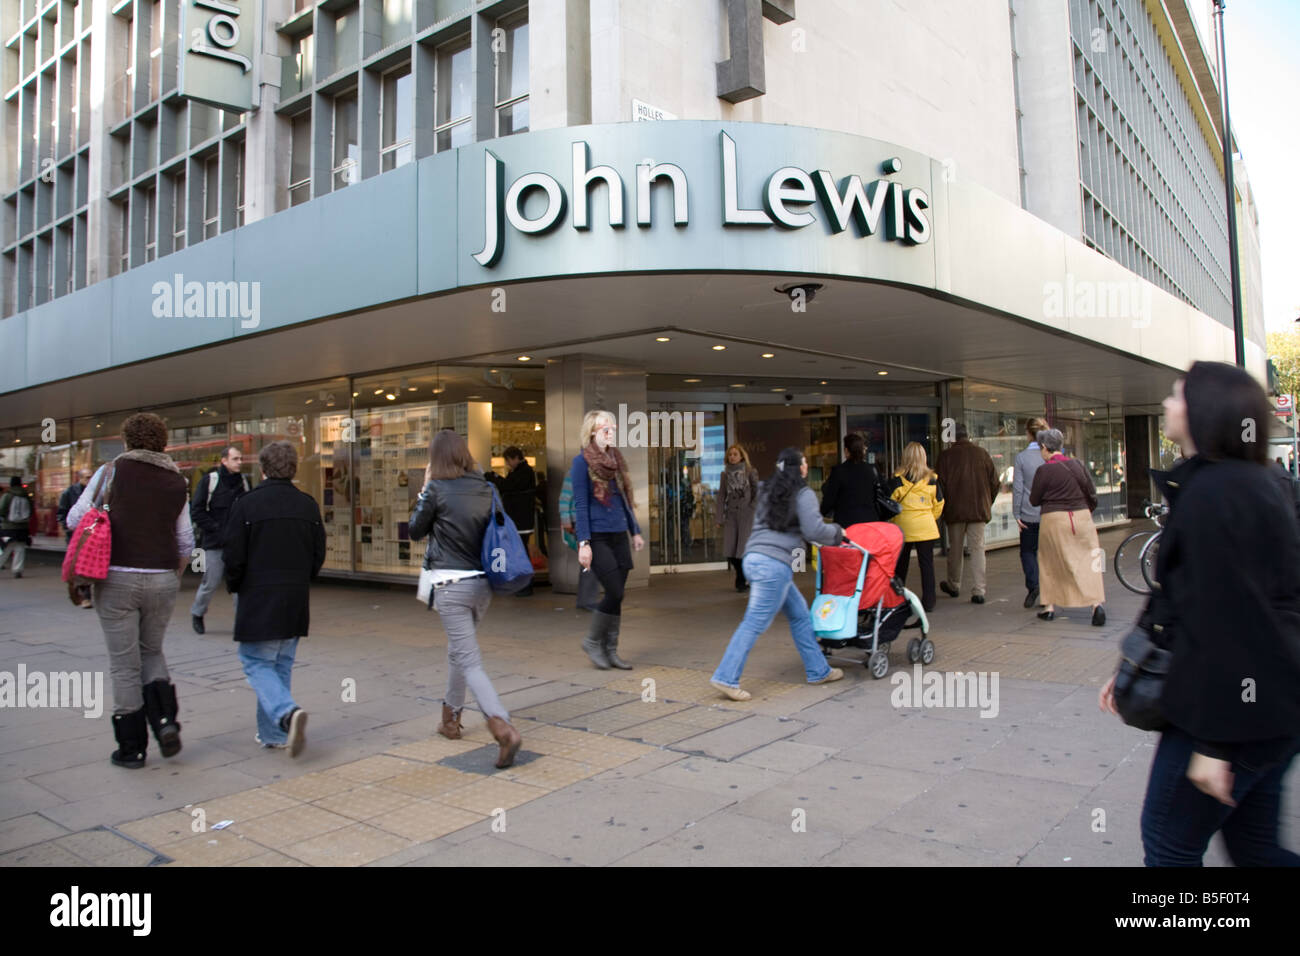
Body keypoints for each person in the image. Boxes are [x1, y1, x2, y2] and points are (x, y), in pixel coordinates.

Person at [1100, 362, 1300, 866]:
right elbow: (1186, 598)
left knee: (1169, 846)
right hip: (1269, 709)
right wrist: (1132, 665)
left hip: (1229, 714)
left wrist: (1215, 746)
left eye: (1176, 395)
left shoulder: (1217, 493)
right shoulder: (1245, 481)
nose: (1167, 404)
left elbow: (1236, 622)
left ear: (1205, 411)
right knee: (1254, 850)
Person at [65, 413, 191, 769]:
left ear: (127, 442)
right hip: (162, 578)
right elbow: (186, 539)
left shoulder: (111, 473)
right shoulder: (176, 480)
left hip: (115, 576)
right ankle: (166, 722)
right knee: (152, 651)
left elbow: (76, 518)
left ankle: (132, 748)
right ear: (162, 443)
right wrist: (172, 575)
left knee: (124, 665)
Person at [410, 429, 522, 768]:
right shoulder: (487, 488)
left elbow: (415, 530)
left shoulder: (436, 489)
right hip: (482, 585)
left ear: (436, 459)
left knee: (469, 660)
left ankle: (501, 724)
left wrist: (423, 492)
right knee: (459, 651)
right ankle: (450, 720)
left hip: (451, 585)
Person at [710, 447, 845, 701]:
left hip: (755, 559)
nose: (806, 466)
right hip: (774, 566)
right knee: (754, 622)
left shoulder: (766, 489)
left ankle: (819, 670)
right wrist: (838, 533)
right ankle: (725, 677)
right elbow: (814, 531)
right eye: (804, 463)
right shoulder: (803, 494)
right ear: (799, 468)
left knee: (800, 615)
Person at [223, 442, 324, 757]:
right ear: (293, 468)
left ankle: (286, 712)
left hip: (258, 594)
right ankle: (273, 733)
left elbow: (234, 555)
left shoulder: (246, 504)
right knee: (280, 664)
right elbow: (317, 553)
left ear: (263, 469)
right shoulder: (307, 505)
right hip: (294, 595)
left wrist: (235, 586)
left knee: (255, 662)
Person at [572, 409, 645, 670]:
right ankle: (592, 641)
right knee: (615, 590)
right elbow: (580, 504)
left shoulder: (615, 459)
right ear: (593, 431)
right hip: (598, 535)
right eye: (606, 429)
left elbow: (624, 498)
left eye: (613, 428)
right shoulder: (581, 462)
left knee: (617, 595)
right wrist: (584, 543)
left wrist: (634, 531)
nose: (611, 432)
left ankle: (610, 649)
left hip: (618, 533)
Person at [1028, 428, 1105, 626]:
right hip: (1081, 517)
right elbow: (1091, 490)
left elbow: (1034, 499)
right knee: (1090, 559)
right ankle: (1096, 605)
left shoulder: (1044, 470)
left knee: (1049, 562)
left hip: (1054, 520)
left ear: (1045, 448)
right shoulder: (1077, 464)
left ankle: (1050, 607)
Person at [189, 446, 250, 634]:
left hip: (237, 543)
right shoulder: (210, 481)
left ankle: (242, 622)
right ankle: (197, 613)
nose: (240, 462)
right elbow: (197, 511)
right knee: (211, 581)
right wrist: (217, 529)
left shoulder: (244, 482)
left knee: (240, 583)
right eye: (235, 459)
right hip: (215, 543)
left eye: (241, 459)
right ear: (224, 461)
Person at [936, 424, 999, 604]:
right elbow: (994, 482)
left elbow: (939, 486)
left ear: (953, 438)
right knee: (978, 549)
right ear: (968, 436)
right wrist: (987, 501)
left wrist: (944, 507)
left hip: (954, 511)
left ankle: (954, 584)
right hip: (978, 511)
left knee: (955, 549)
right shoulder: (982, 454)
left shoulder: (945, 456)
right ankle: (979, 590)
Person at [887, 442, 944, 611]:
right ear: (923, 458)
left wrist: (893, 522)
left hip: (903, 528)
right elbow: (939, 504)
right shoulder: (932, 480)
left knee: (901, 566)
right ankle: (929, 602)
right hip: (926, 528)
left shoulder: (897, 480)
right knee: (927, 566)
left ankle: (897, 600)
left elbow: (889, 505)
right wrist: (929, 518)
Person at [1012, 418, 1049, 609]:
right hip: (1050, 513)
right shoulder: (1050, 455)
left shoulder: (1021, 458)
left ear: (1028, 433)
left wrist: (1016, 513)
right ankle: (1048, 593)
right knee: (1047, 553)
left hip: (1028, 512)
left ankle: (1033, 586)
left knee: (1028, 551)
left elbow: (1018, 488)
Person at [493, 446, 538, 596]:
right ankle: (524, 584)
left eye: (508, 461)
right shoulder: (523, 472)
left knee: (520, 552)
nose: (507, 464)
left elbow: (508, 487)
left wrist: (496, 478)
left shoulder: (523, 472)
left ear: (515, 458)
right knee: (521, 550)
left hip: (520, 520)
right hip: (521, 519)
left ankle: (525, 585)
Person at [717, 444, 759, 591]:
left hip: (746, 516)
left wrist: (751, 508)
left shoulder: (749, 472)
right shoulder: (725, 474)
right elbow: (722, 495)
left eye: (735, 454)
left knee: (742, 550)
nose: (732, 457)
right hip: (731, 515)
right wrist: (719, 517)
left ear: (741, 456)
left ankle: (741, 580)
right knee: (730, 550)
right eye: (730, 454)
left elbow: (757, 491)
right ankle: (742, 576)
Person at [558, 470, 602, 611]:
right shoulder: (574, 473)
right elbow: (564, 499)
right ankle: (587, 600)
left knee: (589, 561)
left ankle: (586, 599)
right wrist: (566, 522)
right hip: (580, 522)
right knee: (590, 561)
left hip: (592, 521)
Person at [820, 433, 884, 528]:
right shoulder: (872, 470)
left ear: (846, 451)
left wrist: (819, 514)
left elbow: (829, 499)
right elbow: (885, 492)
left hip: (847, 525)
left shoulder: (839, 471)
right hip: (870, 523)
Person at [59, 468, 95, 606]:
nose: (89, 480)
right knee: (79, 564)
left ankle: (87, 595)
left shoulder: (96, 492)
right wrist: (67, 528)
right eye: (86, 477)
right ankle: (82, 593)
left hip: (93, 534)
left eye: (91, 477)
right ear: (79, 478)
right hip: (76, 534)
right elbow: (62, 512)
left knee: (89, 563)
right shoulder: (69, 492)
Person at [0, 476, 34, 579]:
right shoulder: (26, 496)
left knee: (5, 548)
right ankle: (17, 570)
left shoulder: (7, 495)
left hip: (8, 527)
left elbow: (1, 509)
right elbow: (31, 511)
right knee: (20, 548)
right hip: (23, 527)